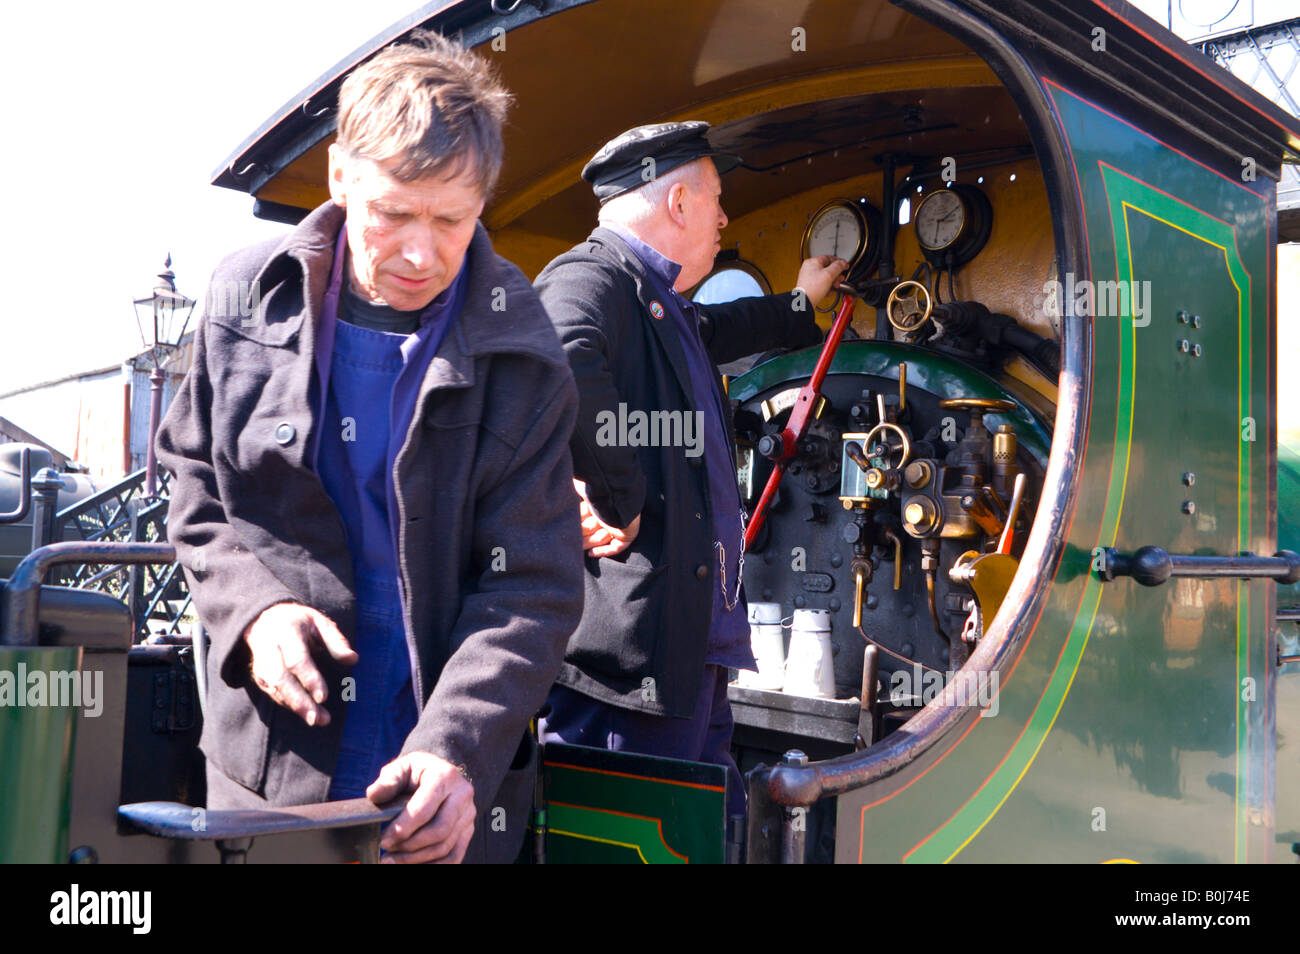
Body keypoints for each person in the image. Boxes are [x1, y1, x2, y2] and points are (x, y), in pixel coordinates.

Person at [156, 31, 583, 864]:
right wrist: (254, 610)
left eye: (451, 221)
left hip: (445, 797)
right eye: (392, 214)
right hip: (265, 779)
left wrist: (454, 750)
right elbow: (194, 481)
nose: (421, 253)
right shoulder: (240, 299)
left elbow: (533, 588)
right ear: (341, 177)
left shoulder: (525, 350)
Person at [533, 122, 847, 819]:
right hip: (632, 668)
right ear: (679, 203)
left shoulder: (667, 308)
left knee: (706, 830)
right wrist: (619, 494)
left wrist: (800, 304)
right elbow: (560, 353)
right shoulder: (593, 275)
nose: (726, 217)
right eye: (717, 199)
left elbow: (728, 327)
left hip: (693, 655)